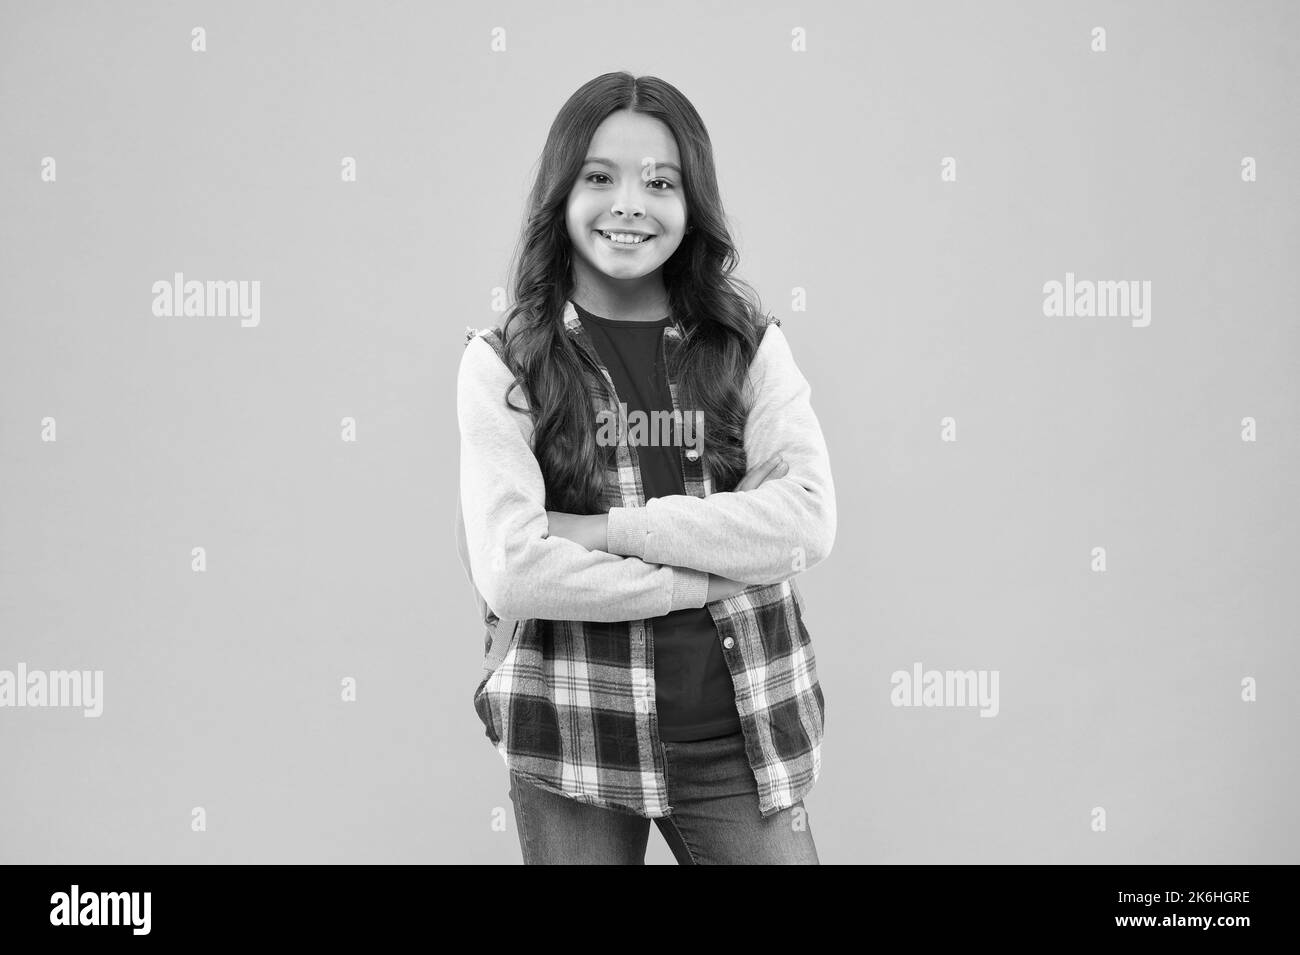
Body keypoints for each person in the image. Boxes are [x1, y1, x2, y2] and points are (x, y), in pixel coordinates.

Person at [455, 71, 836, 864]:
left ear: (692, 204)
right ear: (560, 195)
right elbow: (514, 571)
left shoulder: (748, 345)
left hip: (742, 732)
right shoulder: (503, 364)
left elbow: (806, 519)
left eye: (660, 182)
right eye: (600, 178)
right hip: (573, 736)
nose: (630, 203)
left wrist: (601, 531)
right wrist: (701, 580)